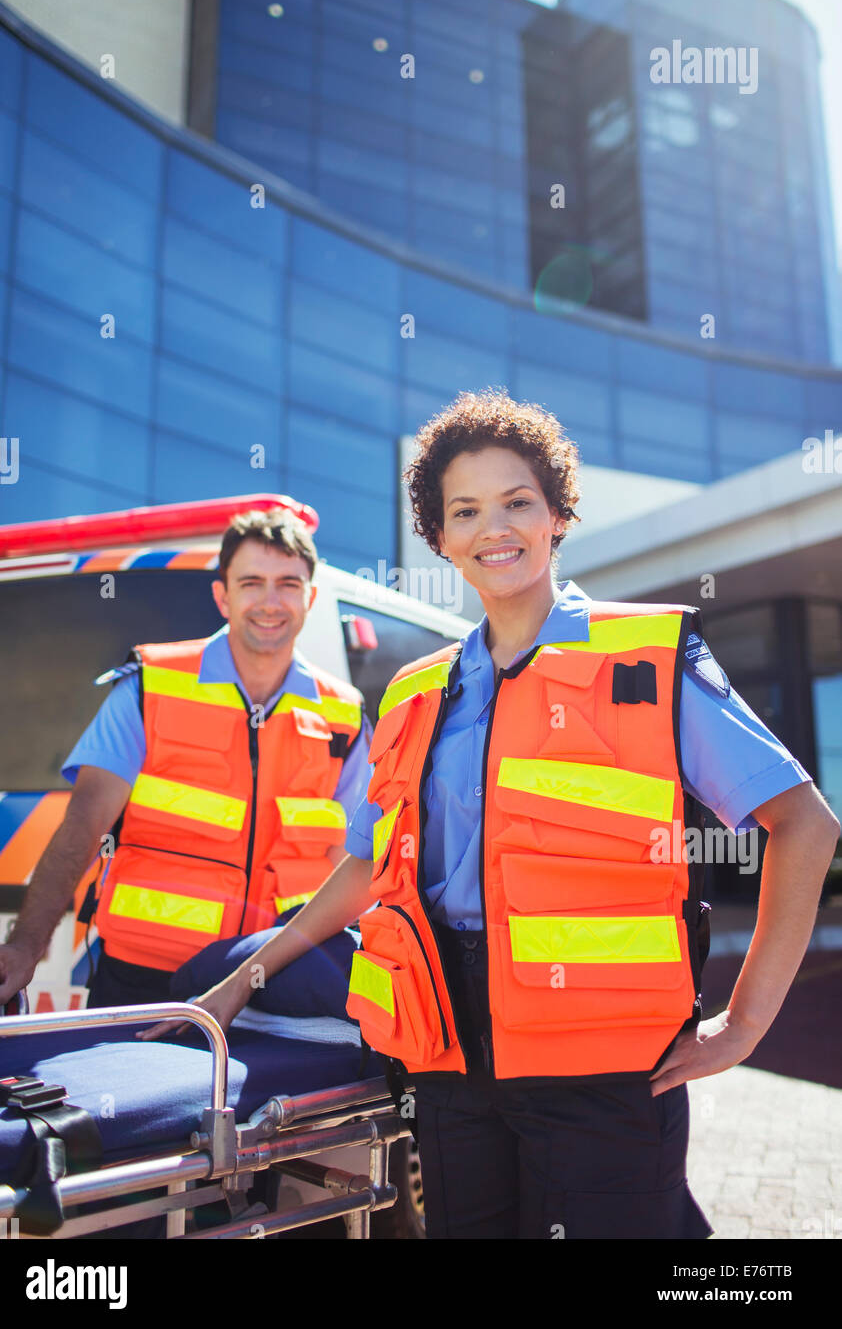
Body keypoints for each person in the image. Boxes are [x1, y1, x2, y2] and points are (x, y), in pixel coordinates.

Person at [141, 393, 840, 1240]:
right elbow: (367, 869)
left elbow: (804, 823)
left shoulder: (645, 657)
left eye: (517, 501)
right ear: (439, 537)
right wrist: (242, 978)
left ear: (557, 515)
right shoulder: (414, 692)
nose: (493, 527)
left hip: (601, 1069)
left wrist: (747, 1021)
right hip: (447, 1061)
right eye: (465, 510)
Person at [0, 508, 372, 1012]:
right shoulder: (150, 686)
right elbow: (84, 822)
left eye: (288, 584)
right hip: (143, 981)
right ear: (222, 596)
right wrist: (25, 947)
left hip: (271, 983)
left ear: (309, 598)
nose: (270, 602)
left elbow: (357, 859)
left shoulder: (345, 713)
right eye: (251, 583)